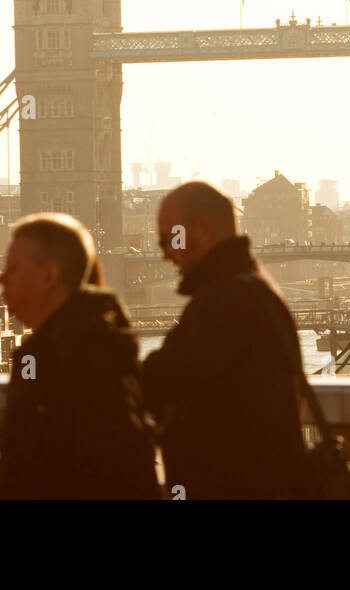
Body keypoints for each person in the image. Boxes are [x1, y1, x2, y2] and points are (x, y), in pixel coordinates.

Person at [140, 181, 308, 499]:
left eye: (169, 239)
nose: (164, 254)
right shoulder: (251, 288)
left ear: (203, 229)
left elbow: (164, 379)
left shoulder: (226, 301)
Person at [0, 212, 160, 500]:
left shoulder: (77, 359)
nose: (0, 278)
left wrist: (10, 430)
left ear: (49, 274)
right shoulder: (92, 345)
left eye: (14, 269)